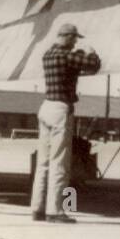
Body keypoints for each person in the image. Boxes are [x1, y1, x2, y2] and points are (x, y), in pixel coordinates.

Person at [30, 23, 101, 223]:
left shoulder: (48, 55)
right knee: (59, 162)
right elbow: (93, 65)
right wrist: (91, 52)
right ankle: (56, 211)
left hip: (45, 107)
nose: (76, 42)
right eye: (74, 38)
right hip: (61, 109)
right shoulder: (67, 56)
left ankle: (37, 208)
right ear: (68, 37)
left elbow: (72, 68)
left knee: (43, 162)